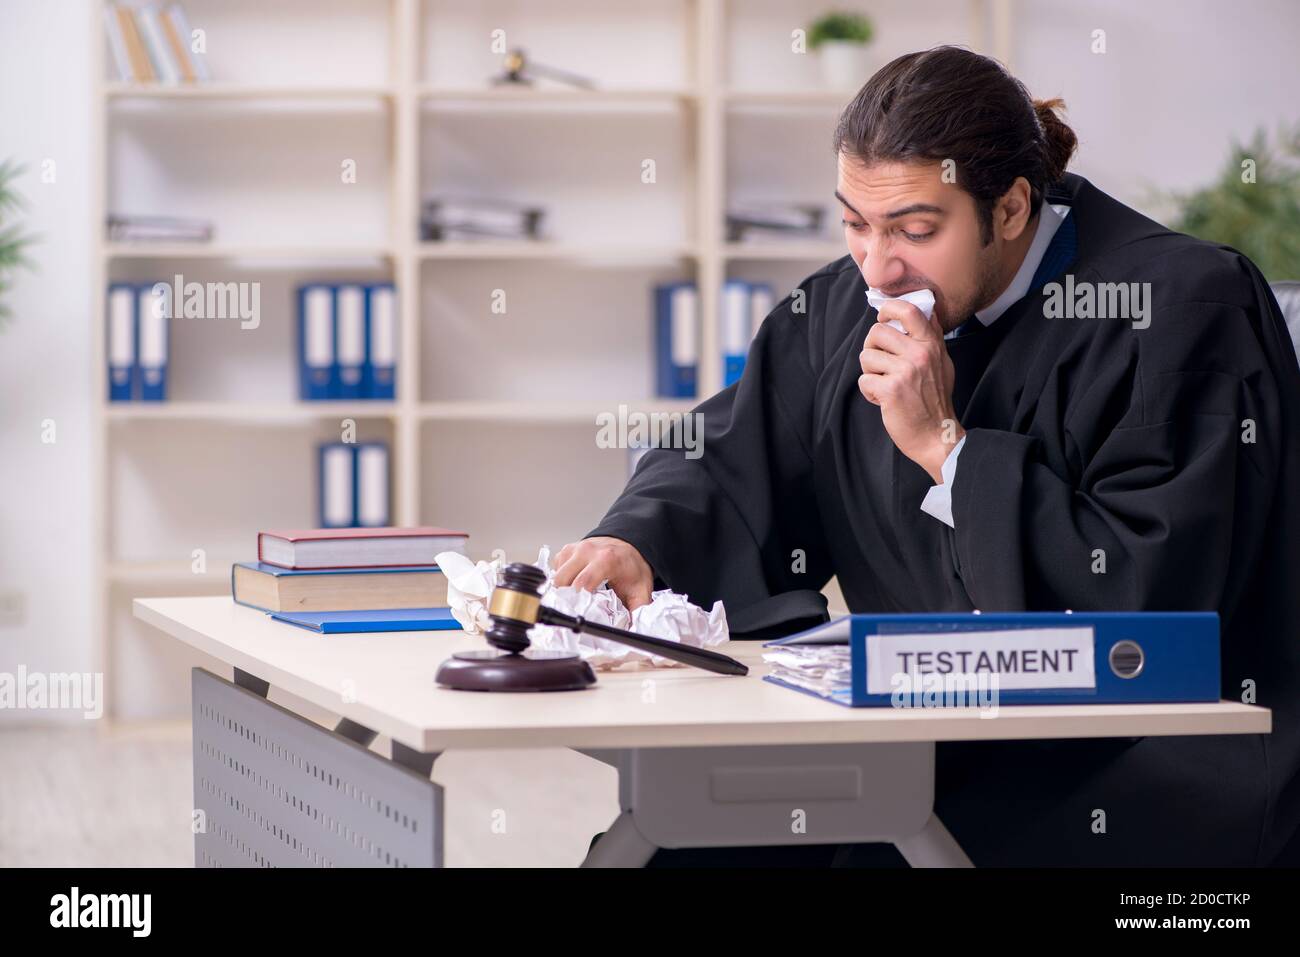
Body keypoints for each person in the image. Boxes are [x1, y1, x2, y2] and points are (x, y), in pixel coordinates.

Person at [557, 46, 1300, 867]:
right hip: (918, 733)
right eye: (854, 223)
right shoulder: (841, 309)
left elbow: (1147, 603)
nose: (879, 267)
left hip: (1136, 765)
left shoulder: (1181, 312)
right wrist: (636, 542)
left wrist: (947, 447)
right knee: (682, 841)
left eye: (916, 229)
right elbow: (730, 458)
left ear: (1012, 207)